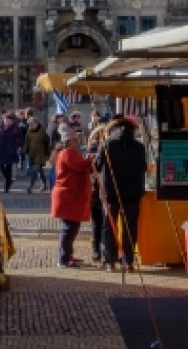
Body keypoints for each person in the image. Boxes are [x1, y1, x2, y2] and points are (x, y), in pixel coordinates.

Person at [94, 113, 147, 272]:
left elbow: (96, 166)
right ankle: (128, 261)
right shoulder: (139, 147)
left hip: (111, 193)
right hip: (133, 193)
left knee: (109, 227)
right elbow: (143, 168)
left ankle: (109, 260)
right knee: (130, 228)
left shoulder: (107, 144)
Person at [50, 131, 92, 268]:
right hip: (68, 196)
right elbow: (80, 165)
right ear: (68, 142)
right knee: (69, 228)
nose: (77, 142)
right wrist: (91, 159)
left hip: (70, 195)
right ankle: (64, 259)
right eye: (75, 140)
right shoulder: (67, 153)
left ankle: (68, 255)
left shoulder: (68, 153)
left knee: (71, 227)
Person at [84, 112, 112, 264]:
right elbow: (91, 166)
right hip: (97, 189)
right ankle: (97, 249)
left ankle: (101, 249)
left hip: (102, 189)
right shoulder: (95, 148)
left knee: (102, 222)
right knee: (98, 222)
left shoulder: (108, 147)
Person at [0, 112, 25, 193]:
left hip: (11, 151)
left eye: (8, 120)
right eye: (5, 120)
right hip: (2, 149)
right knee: (1, 166)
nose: (6, 121)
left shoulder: (15, 128)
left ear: (11, 121)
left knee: (8, 168)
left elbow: (20, 139)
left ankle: (7, 187)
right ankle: (9, 179)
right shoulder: (1, 127)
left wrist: (18, 146)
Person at [25, 115, 51, 194]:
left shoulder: (42, 131)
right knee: (40, 171)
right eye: (29, 124)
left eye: (32, 124)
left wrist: (48, 153)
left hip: (40, 153)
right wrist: (25, 150)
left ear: (36, 123)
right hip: (32, 154)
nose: (30, 126)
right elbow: (27, 141)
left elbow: (47, 142)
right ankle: (44, 184)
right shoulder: (29, 131)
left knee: (35, 170)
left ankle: (30, 186)